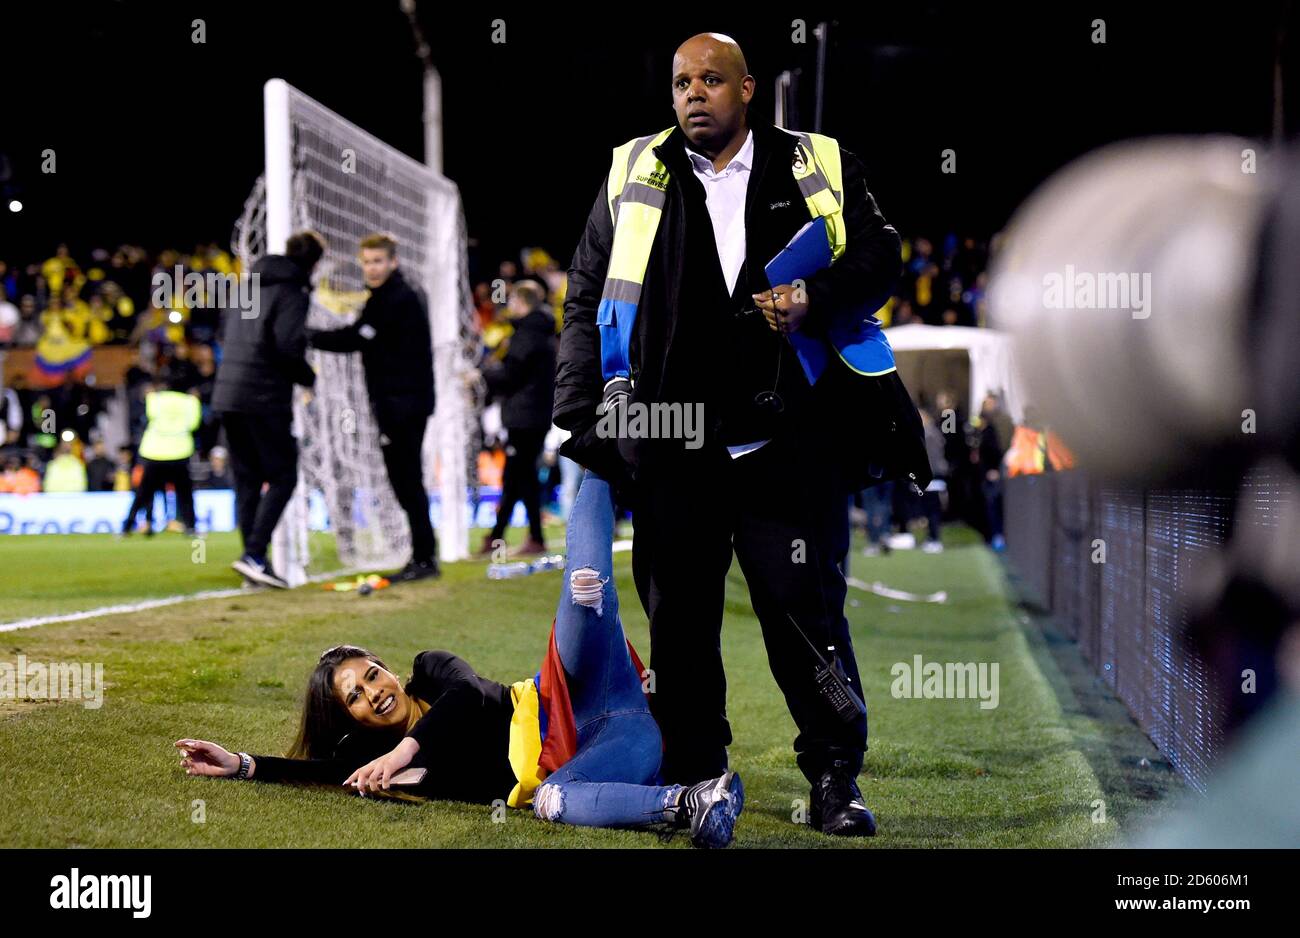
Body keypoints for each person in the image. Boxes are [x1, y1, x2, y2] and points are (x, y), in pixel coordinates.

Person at [554, 33, 930, 836]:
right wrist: (586, 417)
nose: (694, 94)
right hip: (671, 449)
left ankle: (835, 779)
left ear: (749, 89)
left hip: (787, 447)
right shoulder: (633, 169)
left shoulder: (815, 161)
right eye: (682, 81)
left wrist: (814, 297)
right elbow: (586, 296)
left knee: (809, 620)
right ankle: (698, 777)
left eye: (712, 80)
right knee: (680, 627)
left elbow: (882, 254)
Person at [174, 472, 744, 848]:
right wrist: (243, 764)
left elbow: (468, 694)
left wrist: (404, 752)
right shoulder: (370, 760)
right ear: (348, 718)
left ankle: (597, 453)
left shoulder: (432, 669)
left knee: (585, 586)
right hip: (605, 753)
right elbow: (324, 773)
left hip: (579, 691)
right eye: (354, 696)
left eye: (371, 674)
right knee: (553, 802)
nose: (372, 691)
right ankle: (693, 802)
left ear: (388, 668)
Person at [309, 233, 440, 583]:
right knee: (405, 480)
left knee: (406, 480)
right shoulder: (390, 295)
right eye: (366, 262)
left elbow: (356, 337)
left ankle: (425, 558)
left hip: (401, 403)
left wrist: (308, 336)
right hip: (404, 401)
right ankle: (424, 555)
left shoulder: (394, 297)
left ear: (392, 262)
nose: (371, 268)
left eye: (378, 261)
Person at [212, 230, 323, 588]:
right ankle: (255, 554)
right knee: (283, 476)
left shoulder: (244, 289)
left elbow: (227, 336)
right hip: (263, 396)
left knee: (247, 481)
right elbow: (286, 346)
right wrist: (309, 377)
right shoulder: (292, 292)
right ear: (313, 263)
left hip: (227, 396)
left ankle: (253, 567)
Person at [475, 278, 557, 557]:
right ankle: (508, 536)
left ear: (522, 303)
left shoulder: (527, 335)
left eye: (512, 301)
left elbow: (512, 376)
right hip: (534, 414)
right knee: (520, 476)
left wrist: (483, 375)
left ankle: (516, 537)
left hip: (525, 416)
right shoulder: (542, 332)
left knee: (520, 476)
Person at [122, 375, 200, 535]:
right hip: (180, 451)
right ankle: (190, 527)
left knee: (143, 493)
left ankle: (127, 527)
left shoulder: (154, 399)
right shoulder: (191, 402)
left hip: (154, 451)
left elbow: (148, 415)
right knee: (184, 493)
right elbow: (193, 424)